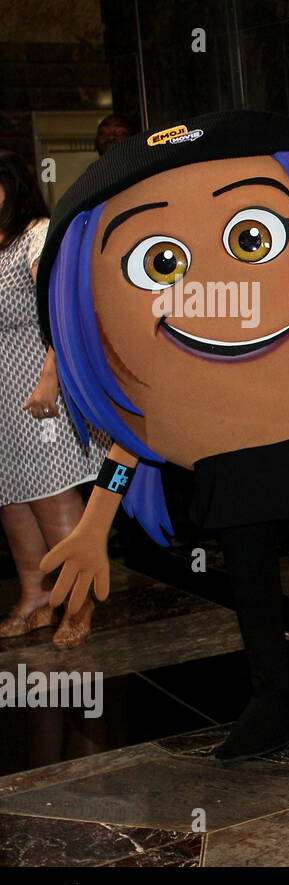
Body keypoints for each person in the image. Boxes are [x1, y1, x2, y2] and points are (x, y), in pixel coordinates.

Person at [37, 111, 289, 762]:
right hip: (227, 461)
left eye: (252, 238)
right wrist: (93, 523)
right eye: (162, 260)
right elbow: (134, 436)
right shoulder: (168, 375)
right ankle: (275, 703)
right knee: (251, 588)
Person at [0, 149, 106, 648]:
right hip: (3, 396)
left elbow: (61, 309)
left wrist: (50, 378)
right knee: (11, 497)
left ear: (13, 185)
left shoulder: (37, 233)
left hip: (39, 382)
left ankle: (78, 602)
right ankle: (34, 595)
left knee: (50, 494)